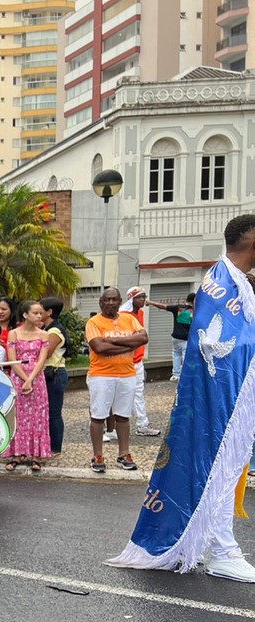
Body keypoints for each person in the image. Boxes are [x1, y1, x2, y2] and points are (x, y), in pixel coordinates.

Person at [109, 214, 255, 582]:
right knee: (212, 472)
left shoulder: (240, 282)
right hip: (217, 401)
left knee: (224, 473)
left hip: (232, 401)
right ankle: (222, 551)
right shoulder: (219, 284)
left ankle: (220, 546)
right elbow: (214, 343)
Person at [85, 286, 147, 473]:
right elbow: (99, 348)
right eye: (107, 299)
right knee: (98, 416)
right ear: (101, 302)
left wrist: (111, 342)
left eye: (114, 299)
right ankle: (98, 455)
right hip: (101, 375)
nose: (111, 303)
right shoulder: (93, 322)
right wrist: (129, 345)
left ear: (120, 302)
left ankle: (123, 454)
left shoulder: (129, 319)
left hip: (127, 374)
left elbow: (143, 337)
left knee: (123, 416)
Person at [2, 300, 54, 473]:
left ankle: (35, 455)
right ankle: (16, 454)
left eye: (41, 313)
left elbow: (42, 359)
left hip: (37, 379)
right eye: (36, 313)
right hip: (18, 377)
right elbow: (12, 359)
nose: (40, 316)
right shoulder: (13, 334)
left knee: (37, 416)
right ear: (25, 315)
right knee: (18, 415)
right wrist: (25, 379)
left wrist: (31, 379)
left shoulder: (43, 335)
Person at [120, 287, 162, 437]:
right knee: (121, 393)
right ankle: (112, 426)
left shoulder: (141, 313)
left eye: (144, 297)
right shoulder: (124, 315)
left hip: (137, 360)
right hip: (126, 360)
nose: (143, 300)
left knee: (138, 392)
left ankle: (142, 424)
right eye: (140, 297)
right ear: (132, 299)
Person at [41, 297, 69, 459]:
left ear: (49, 312)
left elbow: (46, 353)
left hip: (55, 373)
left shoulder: (54, 331)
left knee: (54, 412)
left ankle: (56, 447)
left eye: (40, 311)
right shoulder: (48, 328)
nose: (38, 314)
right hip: (50, 373)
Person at [147, 292, 195, 381]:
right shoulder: (195, 310)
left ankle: (176, 375)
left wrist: (150, 302)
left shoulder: (178, 308)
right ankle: (185, 376)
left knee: (176, 355)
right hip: (186, 339)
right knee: (185, 356)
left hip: (175, 337)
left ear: (187, 300)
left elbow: (163, 306)